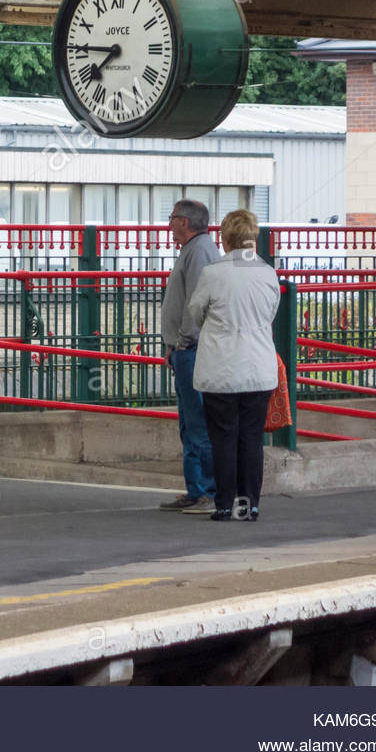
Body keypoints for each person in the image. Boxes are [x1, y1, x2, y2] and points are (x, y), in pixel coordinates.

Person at [186, 209, 281, 521]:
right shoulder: (268, 272)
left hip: (222, 370)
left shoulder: (213, 274)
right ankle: (249, 505)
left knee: (223, 438)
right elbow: (271, 314)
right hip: (258, 370)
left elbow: (194, 314)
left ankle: (225, 505)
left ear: (224, 240)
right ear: (252, 239)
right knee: (251, 440)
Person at [158, 199, 221, 515]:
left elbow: (196, 305)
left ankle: (206, 492)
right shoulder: (195, 250)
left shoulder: (197, 252)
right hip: (185, 349)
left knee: (197, 422)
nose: (168, 224)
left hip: (191, 350)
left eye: (171, 218)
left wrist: (181, 341)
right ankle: (196, 489)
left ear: (184, 221)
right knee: (189, 422)